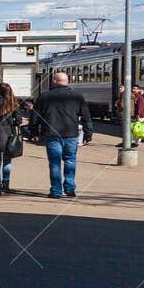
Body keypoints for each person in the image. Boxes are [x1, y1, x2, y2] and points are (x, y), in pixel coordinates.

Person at [31, 71, 93, 199]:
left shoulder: (44, 96)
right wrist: (88, 134)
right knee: (70, 160)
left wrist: (34, 132)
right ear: (67, 82)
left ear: (54, 81)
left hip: (52, 133)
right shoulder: (77, 96)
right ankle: (70, 188)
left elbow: (35, 116)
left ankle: (56, 191)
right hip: (71, 134)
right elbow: (86, 116)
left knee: (55, 163)